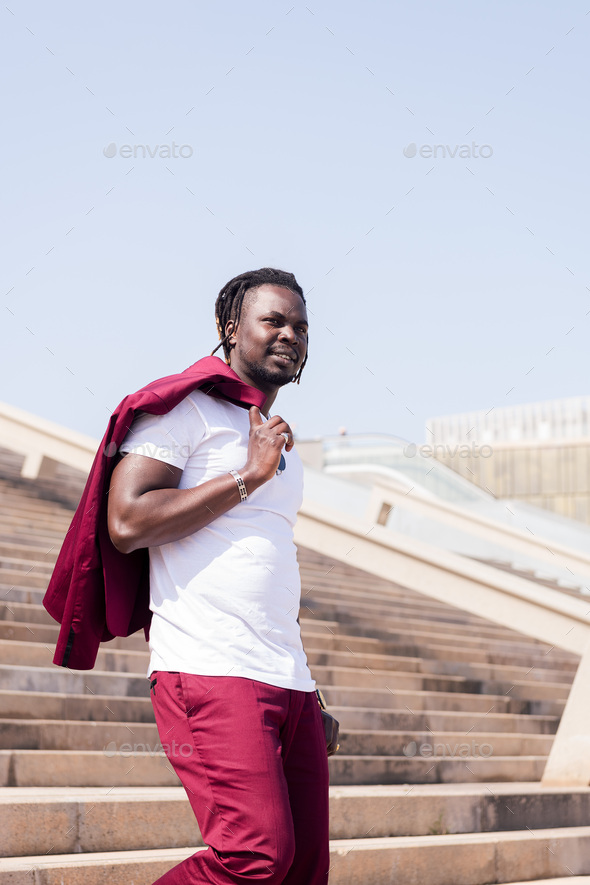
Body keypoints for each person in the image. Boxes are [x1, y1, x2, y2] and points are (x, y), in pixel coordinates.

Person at [107, 267, 330, 884]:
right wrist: (247, 476)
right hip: (209, 665)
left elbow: (267, 571)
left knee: (303, 871)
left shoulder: (283, 449)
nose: (290, 335)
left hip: (283, 676)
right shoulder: (185, 411)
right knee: (254, 858)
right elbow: (126, 521)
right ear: (230, 329)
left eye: (301, 327)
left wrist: (308, 689)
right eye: (274, 321)